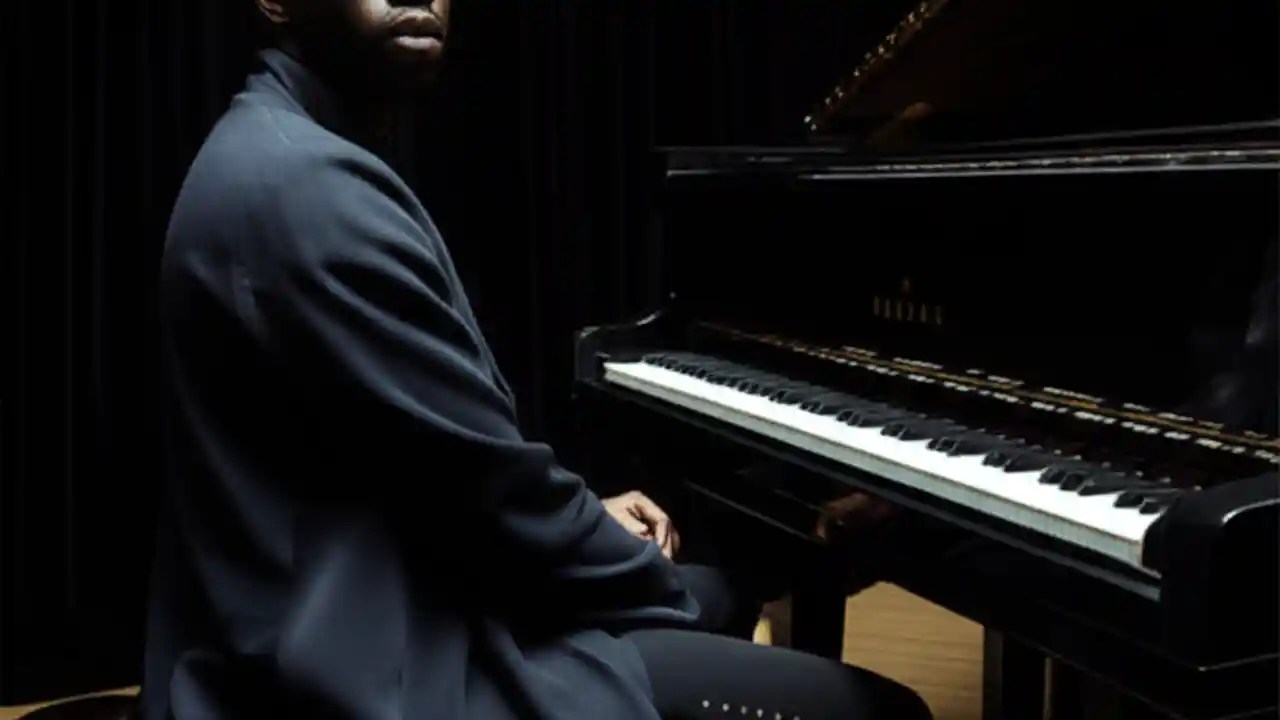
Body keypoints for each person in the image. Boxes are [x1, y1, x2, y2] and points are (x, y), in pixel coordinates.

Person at [141, 1, 933, 718]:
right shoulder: (308, 187)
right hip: (361, 671)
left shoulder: (277, 144)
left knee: (726, 585)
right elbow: (490, 493)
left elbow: (430, 466)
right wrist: (659, 576)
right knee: (878, 709)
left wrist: (603, 528)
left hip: (334, 614)